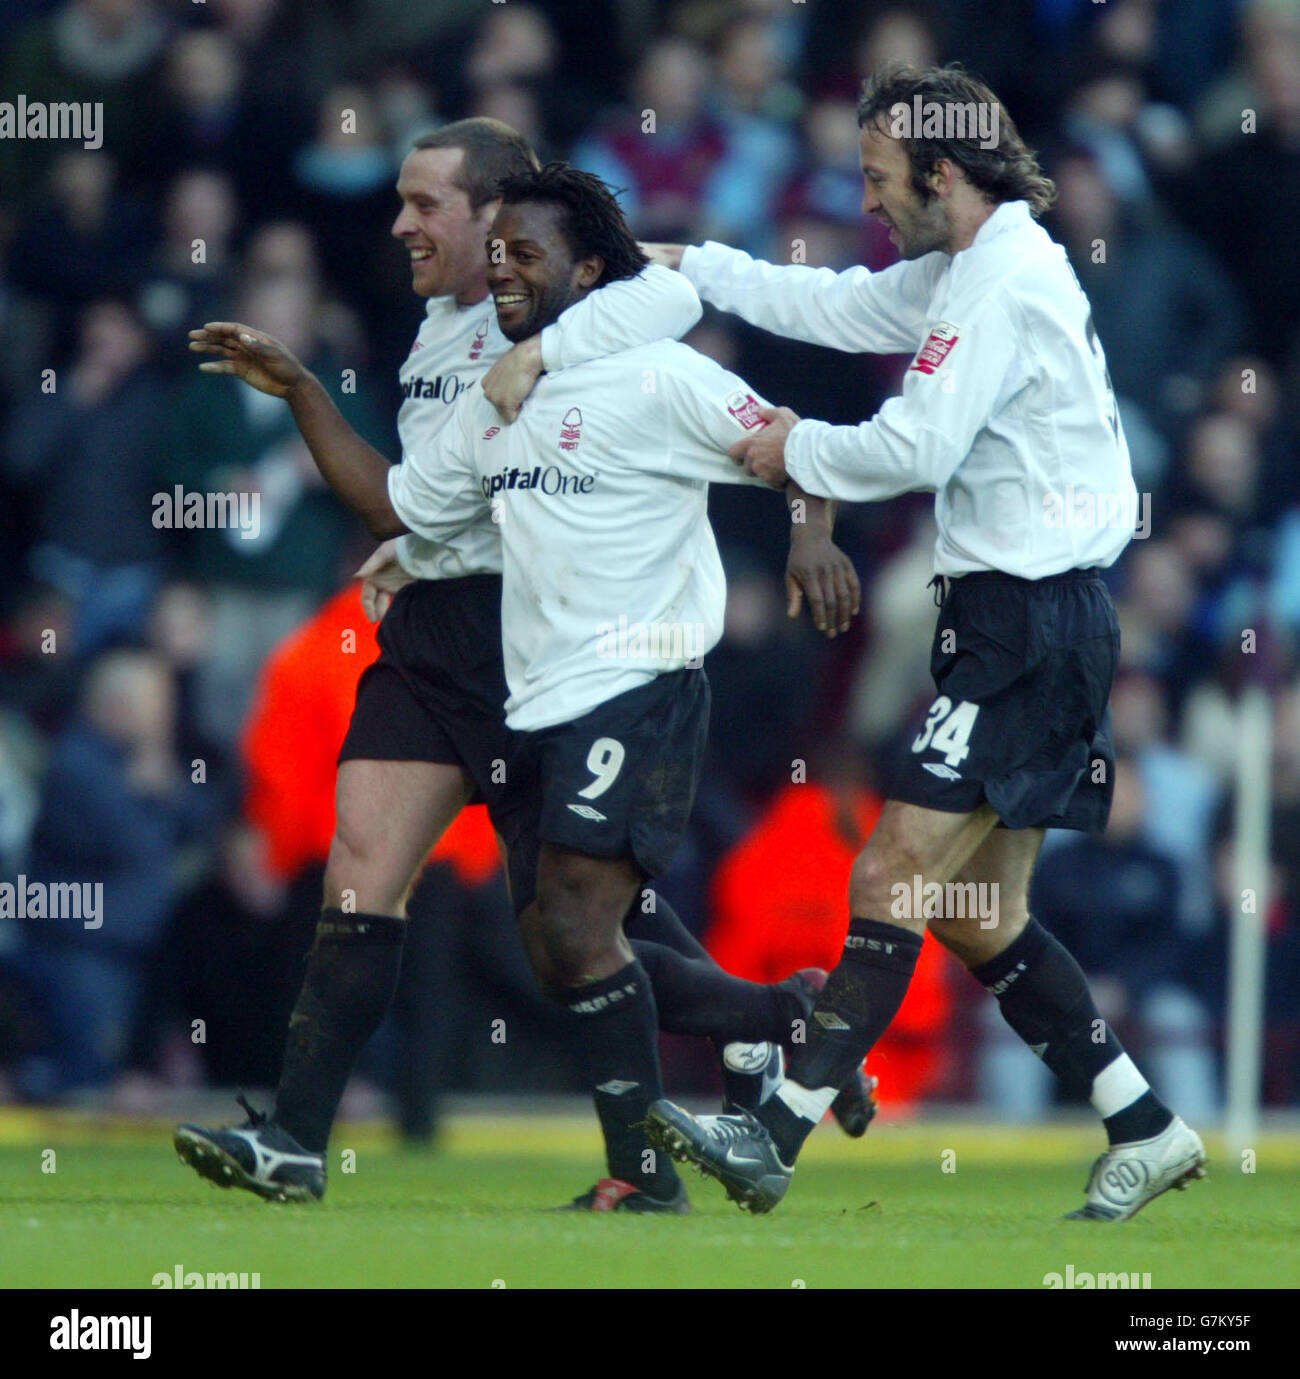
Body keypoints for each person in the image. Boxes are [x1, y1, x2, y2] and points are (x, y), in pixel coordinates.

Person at [174, 123, 869, 1212]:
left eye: (427, 205)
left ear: (497, 213)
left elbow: (666, 294)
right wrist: (322, 413)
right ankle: (297, 1140)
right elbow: (412, 494)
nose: (404, 223)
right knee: (365, 866)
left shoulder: (600, 324)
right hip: (428, 636)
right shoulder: (447, 324)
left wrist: (803, 527)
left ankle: (768, 1039)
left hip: (541, 640)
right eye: (400, 201)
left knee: (573, 934)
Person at [642, 61, 1206, 1221]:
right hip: (1024, 616)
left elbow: (913, 450)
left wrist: (790, 449)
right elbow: (838, 304)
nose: (866, 200)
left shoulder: (996, 286)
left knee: (893, 868)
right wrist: (692, 265)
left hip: (1028, 622)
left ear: (941, 172)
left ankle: (771, 1127)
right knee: (972, 910)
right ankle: (1144, 1124)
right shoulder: (973, 265)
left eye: (877, 175)